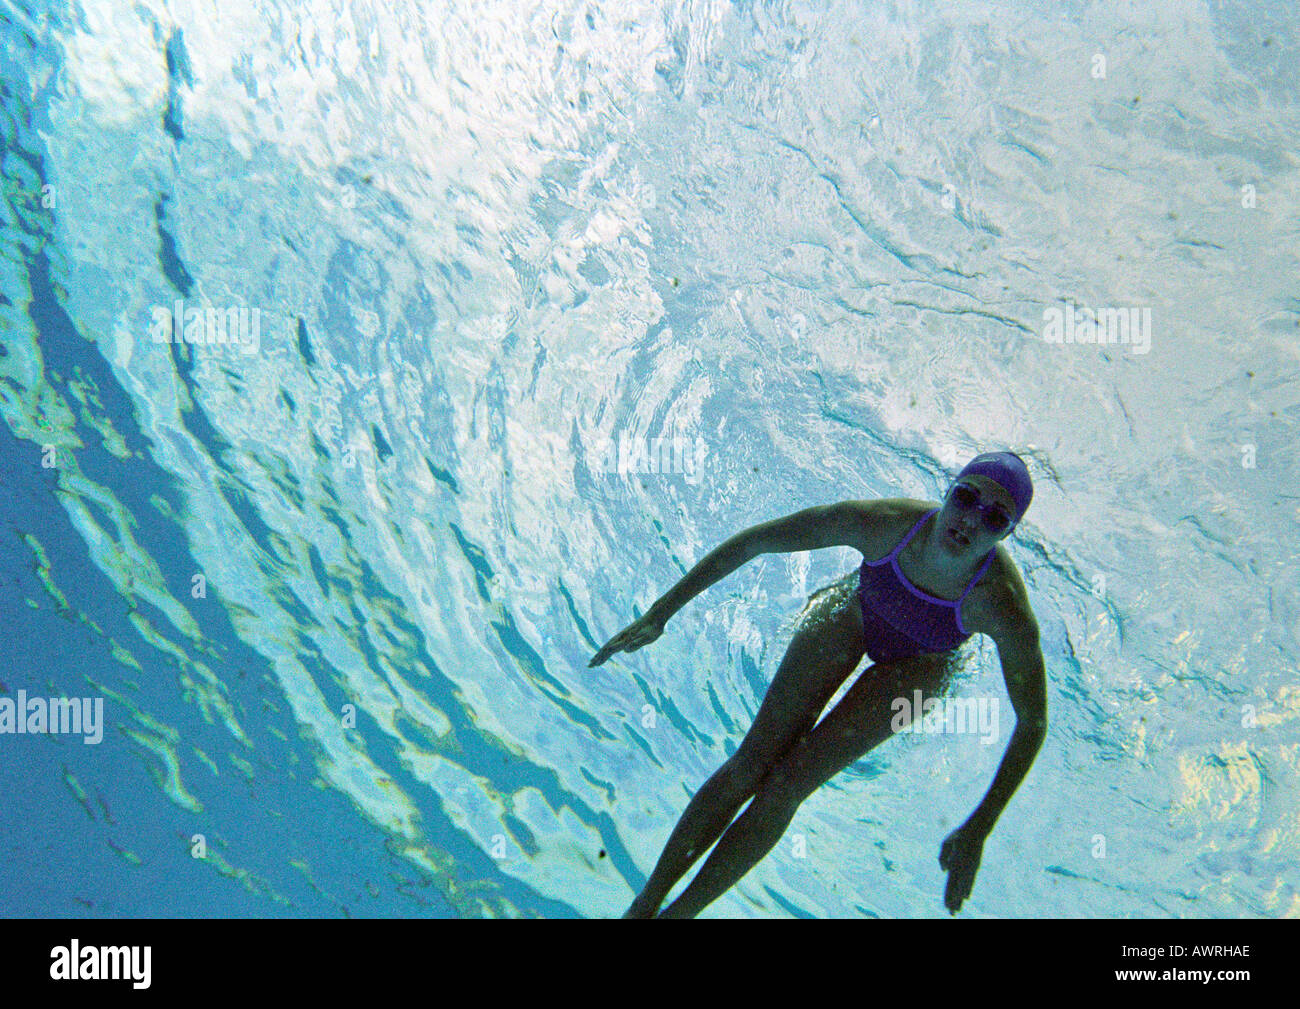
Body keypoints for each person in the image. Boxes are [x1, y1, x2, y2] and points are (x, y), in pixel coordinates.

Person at [589, 451, 1047, 918]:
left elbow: (1032, 722)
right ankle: (644, 906)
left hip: (923, 667)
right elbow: (759, 541)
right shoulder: (884, 523)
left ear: (1006, 535)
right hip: (858, 610)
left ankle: (680, 914)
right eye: (966, 498)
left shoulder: (1001, 604)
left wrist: (980, 827)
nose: (971, 520)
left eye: (993, 518)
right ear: (948, 491)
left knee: (788, 785)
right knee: (752, 762)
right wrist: (661, 613)